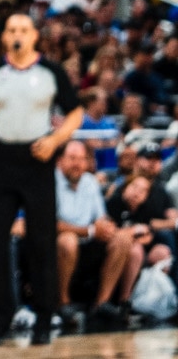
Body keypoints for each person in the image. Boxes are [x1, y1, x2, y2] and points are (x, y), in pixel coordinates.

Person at [0, 12, 84, 344]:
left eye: (23, 29)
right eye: (11, 29)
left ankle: (45, 318)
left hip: (38, 159)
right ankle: (1, 320)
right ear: (5, 37)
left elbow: (76, 112)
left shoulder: (51, 72)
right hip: (3, 160)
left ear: (34, 36)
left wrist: (56, 140)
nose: (17, 34)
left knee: (41, 242)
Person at [55, 140, 133, 330]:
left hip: (90, 242)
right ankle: (63, 303)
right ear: (60, 161)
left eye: (82, 159)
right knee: (68, 241)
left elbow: (101, 217)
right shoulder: (49, 182)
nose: (78, 164)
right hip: (58, 243)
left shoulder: (89, 182)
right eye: (72, 158)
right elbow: (48, 224)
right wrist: (89, 230)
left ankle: (102, 303)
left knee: (123, 238)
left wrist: (107, 227)